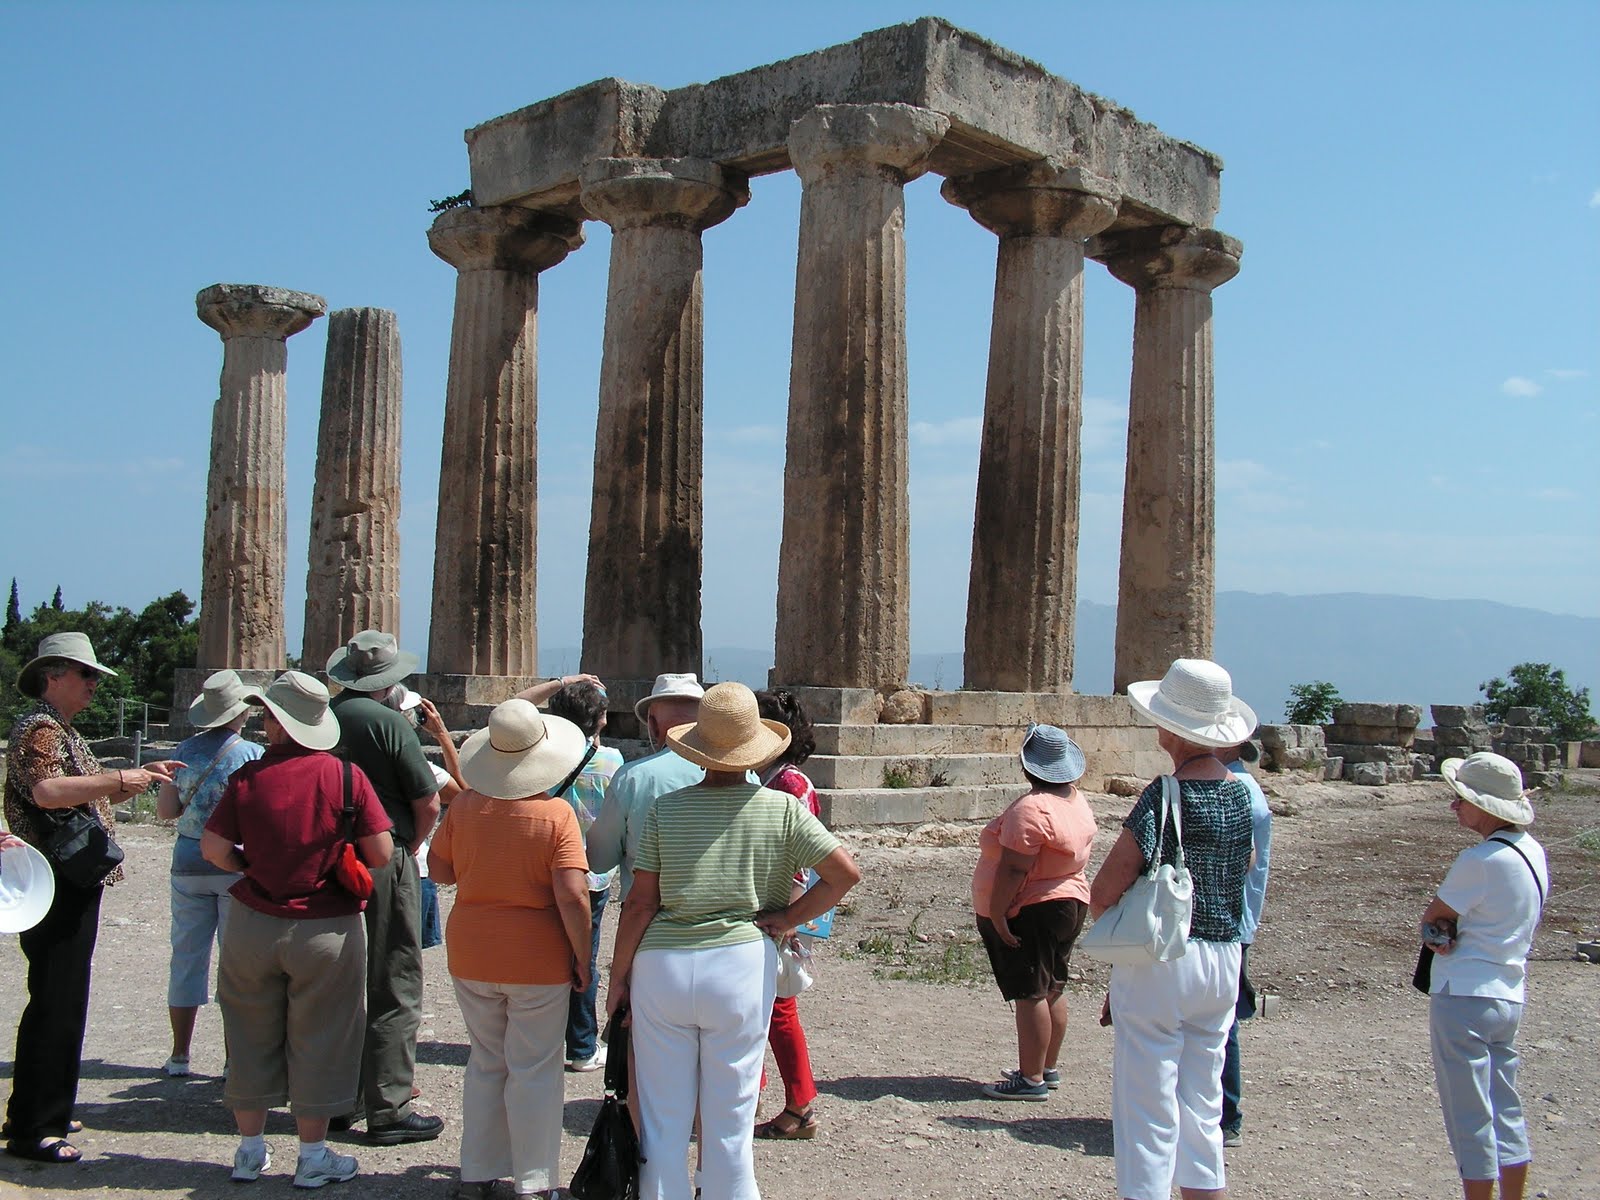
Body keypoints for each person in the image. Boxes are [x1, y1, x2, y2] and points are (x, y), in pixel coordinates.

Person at [607, 682, 862, 1200]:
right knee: (730, 1121)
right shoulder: (782, 810)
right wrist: (788, 917)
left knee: (663, 1118)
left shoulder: (667, 810)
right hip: (742, 961)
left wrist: (617, 978)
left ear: (697, 746)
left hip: (664, 964)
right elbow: (843, 875)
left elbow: (640, 903)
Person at [202, 670, 394, 1188]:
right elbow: (380, 853)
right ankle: (311, 1157)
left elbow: (214, 850)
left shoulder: (247, 778)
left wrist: (250, 868)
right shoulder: (345, 777)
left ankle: (248, 1152)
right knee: (324, 1034)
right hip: (326, 924)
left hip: (252, 920)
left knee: (247, 1029)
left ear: (277, 722)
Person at [3, 632, 182, 1165]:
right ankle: (37, 1127)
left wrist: (129, 783)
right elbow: (47, 792)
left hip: (67, 878)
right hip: (55, 878)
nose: (94, 684)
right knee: (57, 999)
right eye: (86, 675)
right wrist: (119, 776)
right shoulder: (39, 729)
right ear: (53, 675)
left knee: (61, 996)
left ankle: (39, 1107)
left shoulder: (59, 729)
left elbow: (76, 787)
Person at [1089, 658, 1256, 1200]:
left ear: (1171, 730)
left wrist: (1111, 927)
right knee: (1201, 1106)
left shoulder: (1162, 795)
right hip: (1224, 956)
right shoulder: (1243, 794)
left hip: (1165, 956)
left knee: (1148, 1110)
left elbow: (1109, 884)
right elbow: (1246, 864)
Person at [428, 698, 593, 1200]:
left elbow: (439, 871)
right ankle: (535, 1181)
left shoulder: (465, 807)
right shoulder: (555, 815)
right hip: (537, 956)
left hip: (473, 949)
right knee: (536, 1068)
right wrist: (582, 957)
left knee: (486, 1062)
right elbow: (571, 893)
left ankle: (477, 1173)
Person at [325, 630, 443, 1145]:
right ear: (389, 680)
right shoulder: (390, 724)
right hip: (383, 855)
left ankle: (333, 1097)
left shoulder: (320, 720)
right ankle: (389, 1105)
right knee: (395, 975)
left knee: (335, 976)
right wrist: (410, 848)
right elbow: (428, 800)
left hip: (326, 855)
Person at [1422, 752, 1549, 1200]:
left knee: (1469, 1114)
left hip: (1465, 994)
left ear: (1486, 806)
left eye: (1461, 799)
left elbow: (1436, 917)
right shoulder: (1532, 853)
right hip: (1508, 989)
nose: (1455, 806)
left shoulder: (1480, 859)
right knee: (1504, 1106)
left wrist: (1438, 936)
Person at [972, 722, 1097, 1102]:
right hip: (1070, 901)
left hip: (1033, 906)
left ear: (1028, 767)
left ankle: (1030, 1079)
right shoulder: (1075, 798)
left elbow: (1014, 868)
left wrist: (997, 913)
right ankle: (1045, 1066)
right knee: (1052, 987)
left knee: (1030, 992)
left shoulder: (1032, 808)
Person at [154, 669, 264, 1077]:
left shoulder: (184, 750)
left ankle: (179, 1054)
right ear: (242, 713)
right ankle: (234, 1058)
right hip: (234, 862)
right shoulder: (251, 754)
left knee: (186, 957)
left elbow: (167, 812)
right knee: (236, 965)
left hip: (187, 860)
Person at [751, 687, 827, 1140]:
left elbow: (803, 860)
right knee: (763, 1008)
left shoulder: (791, 784)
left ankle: (798, 1104)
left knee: (778, 1008)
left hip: (779, 909)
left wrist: (790, 917)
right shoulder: (765, 778)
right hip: (764, 908)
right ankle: (767, 1094)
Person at [545, 677, 623, 1074]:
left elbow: (505, 713)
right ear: (601, 720)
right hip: (592, 874)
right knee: (583, 959)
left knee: (543, 954)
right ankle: (580, 1045)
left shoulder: (540, 759)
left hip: (544, 870)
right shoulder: (613, 763)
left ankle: (539, 1037)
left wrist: (559, 684)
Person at [586, 672, 705, 900]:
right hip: (730, 923)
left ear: (651, 724)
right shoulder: (746, 776)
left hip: (648, 920)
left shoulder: (631, 778)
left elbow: (599, 860)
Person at [1218, 739, 1271, 1147]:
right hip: (1233, 920)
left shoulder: (1236, 790)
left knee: (1221, 1020)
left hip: (1225, 922)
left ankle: (1226, 1116)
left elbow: (1241, 859)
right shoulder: (1242, 786)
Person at [386, 686, 464, 951]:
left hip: (371, 860)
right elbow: (462, 794)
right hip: (413, 867)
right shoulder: (420, 767)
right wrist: (442, 734)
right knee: (405, 959)